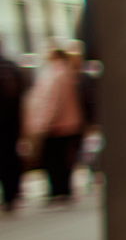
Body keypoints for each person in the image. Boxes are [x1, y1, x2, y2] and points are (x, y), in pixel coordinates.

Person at [23, 43, 84, 203]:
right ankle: (63, 190)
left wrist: (43, 123)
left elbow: (52, 102)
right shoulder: (67, 72)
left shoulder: (55, 74)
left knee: (54, 160)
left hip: (58, 125)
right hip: (69, 123)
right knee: (63, 159)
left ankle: (58, 190)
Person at [0, 50, 23, 211]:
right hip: (13, 120)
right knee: (11, 155)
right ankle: (12, 192)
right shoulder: (12, 66)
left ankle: (9, 193)